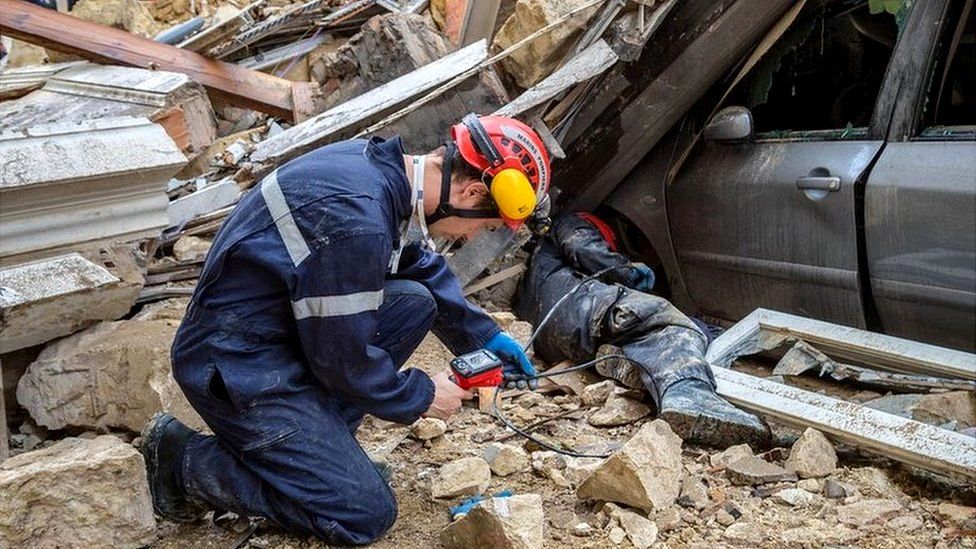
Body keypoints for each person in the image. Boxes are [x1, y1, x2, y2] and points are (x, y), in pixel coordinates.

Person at [141, 115, 551, 545]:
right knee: (364, 514)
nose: (471, 236)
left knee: (415, 302)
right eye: (483, 225)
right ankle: (184, 464)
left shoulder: (376, 175)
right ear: (472, 192)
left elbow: (417, 264)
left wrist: (482, 337)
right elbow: (344, 362)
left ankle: (318, 454)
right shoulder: (356, 219)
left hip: (276, 336)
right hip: (237, 365)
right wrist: (424, 394)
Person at [514, 212, 770, 448]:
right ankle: (689, 394)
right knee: (664, 321)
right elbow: (585, 248)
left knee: (639, 337)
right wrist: (630, 272)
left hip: (557, 340)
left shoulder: (537, 272)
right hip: (580, 310)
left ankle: (627, 365)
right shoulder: (573, 221)